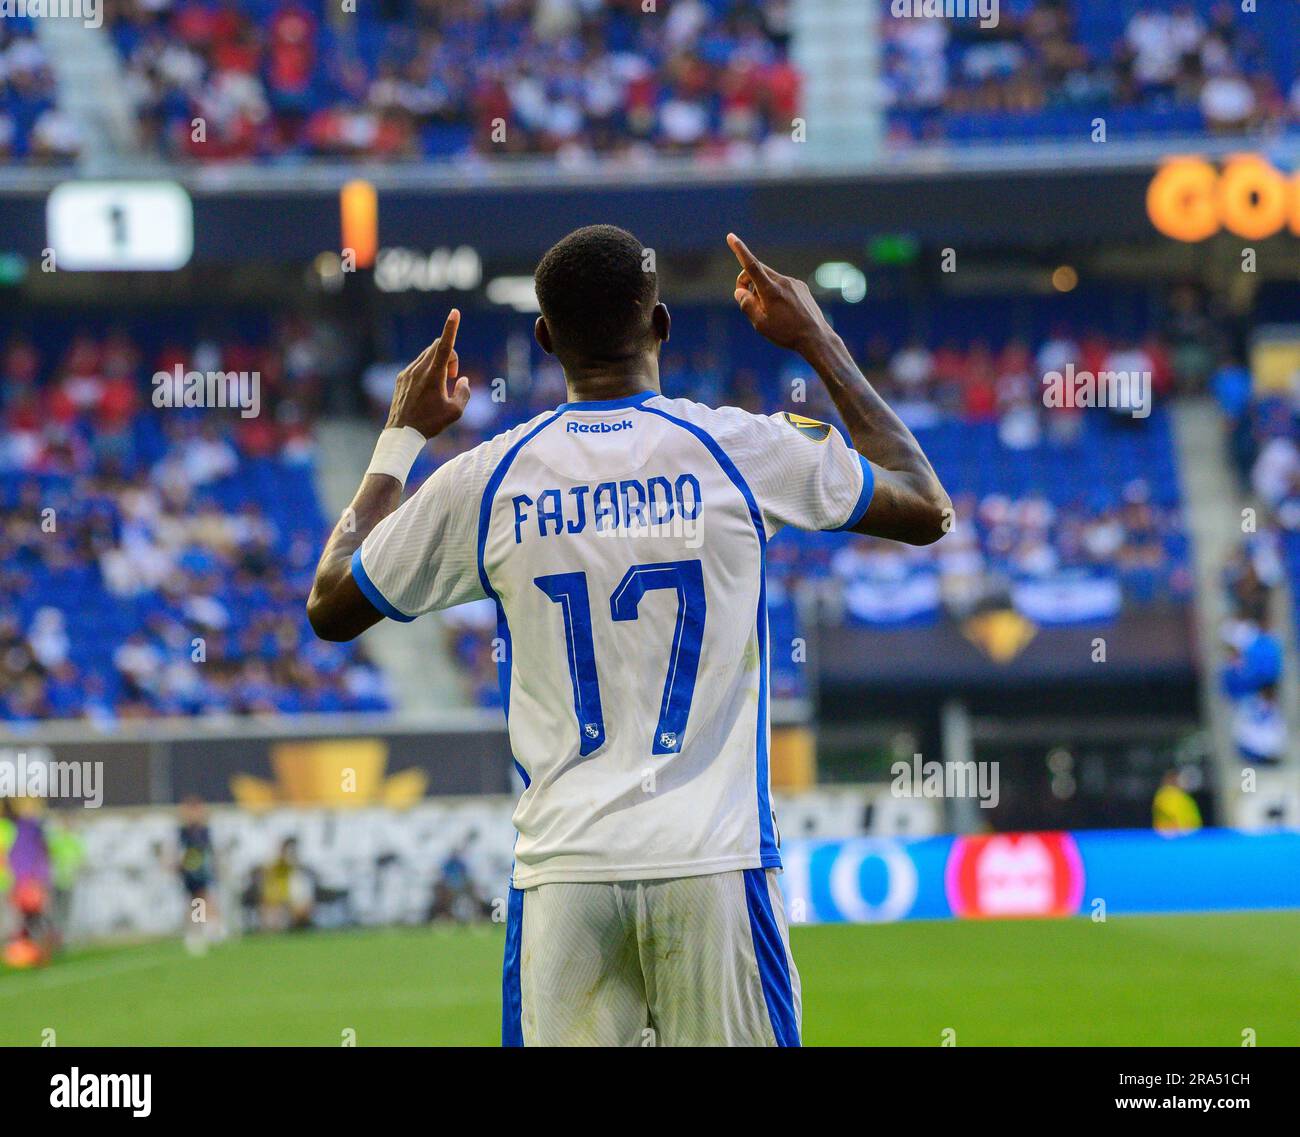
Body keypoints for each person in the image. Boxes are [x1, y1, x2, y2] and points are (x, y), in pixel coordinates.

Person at [307, 225, 950, 1046]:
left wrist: (402, 434)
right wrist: (814, 335)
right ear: (661, 326)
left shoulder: (488, 477)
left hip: (565, 873)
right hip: (713, 862)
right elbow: (928, 506)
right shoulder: (742, 448)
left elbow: (330, 602)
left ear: (545, 339)